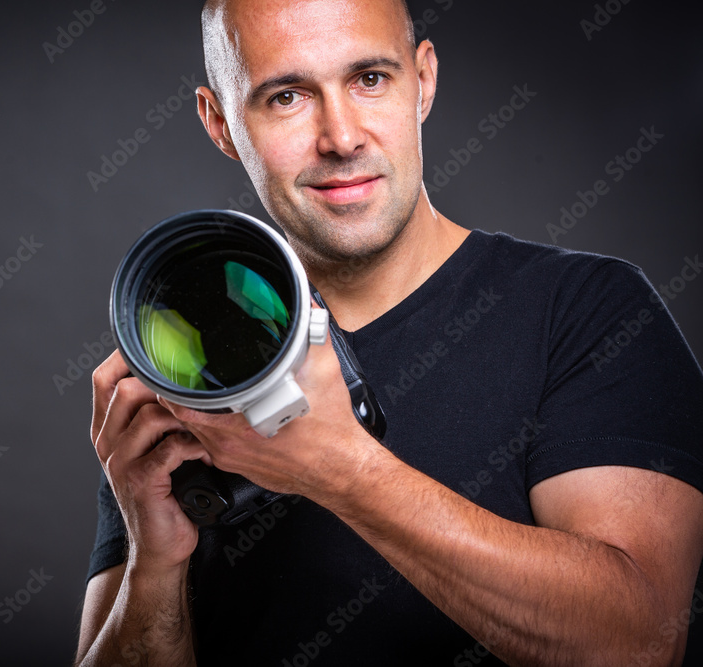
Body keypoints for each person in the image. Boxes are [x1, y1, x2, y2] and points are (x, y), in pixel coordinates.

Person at [74, 0, 703, 664]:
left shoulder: (586, 310)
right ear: (221, 122)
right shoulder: (192, 360)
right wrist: (153, 555)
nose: (341, 137)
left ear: (422, 80)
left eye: (370, 79)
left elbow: (638, 644)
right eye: (286, 96)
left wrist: (342, 470)